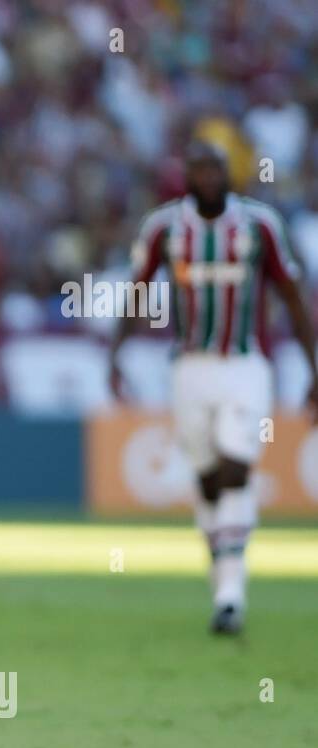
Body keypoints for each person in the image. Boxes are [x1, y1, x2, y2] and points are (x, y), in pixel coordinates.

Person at [109, 141, 318, 635]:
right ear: (187, 176)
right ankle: (222, 570)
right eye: (199, 169)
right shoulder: (164, 228)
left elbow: (291, 297)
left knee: (235, 465)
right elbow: (137, 291)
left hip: (245, 364)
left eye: (216, 169)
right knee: (206, 478)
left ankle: (230, 595)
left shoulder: (259, 226)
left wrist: (314, 368)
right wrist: (114, 354)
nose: (208, 178)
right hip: (189, 368)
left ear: (229, 174)